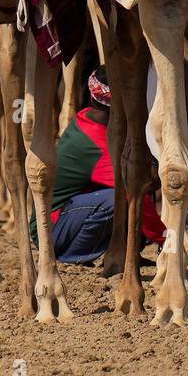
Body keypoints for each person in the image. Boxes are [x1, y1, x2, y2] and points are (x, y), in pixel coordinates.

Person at [35, 67, 164, 264]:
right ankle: (71, 255)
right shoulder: (94, 143)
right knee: (117, 197)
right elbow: (134, 191)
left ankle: (129, 249)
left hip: (67, 214)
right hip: (52, 228)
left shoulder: (88, 116)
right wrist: (166, 237)